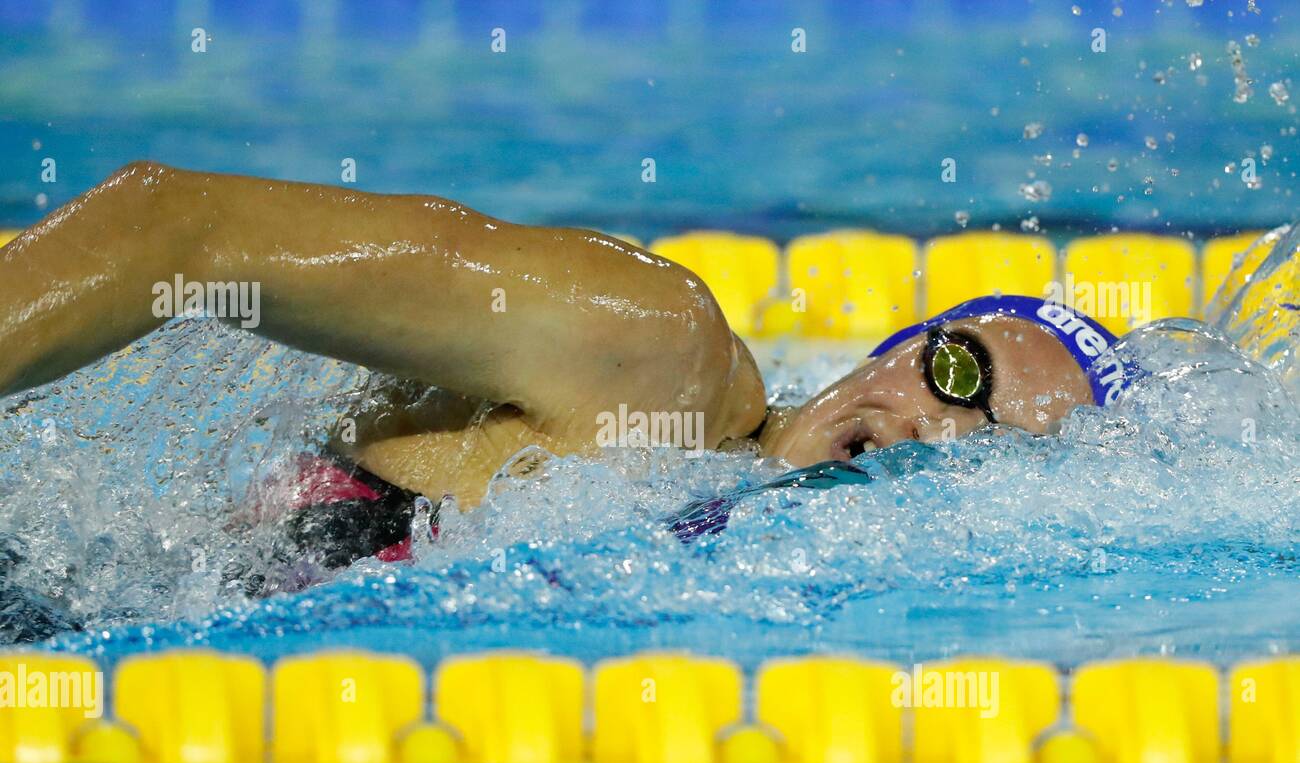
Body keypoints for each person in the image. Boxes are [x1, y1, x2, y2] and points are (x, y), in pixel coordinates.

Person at [0, 162, 1126, 567]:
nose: (939, 430)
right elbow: (176, 229)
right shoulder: (656, 350)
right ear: (884, 353)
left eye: (998, 448)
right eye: (959, 374)